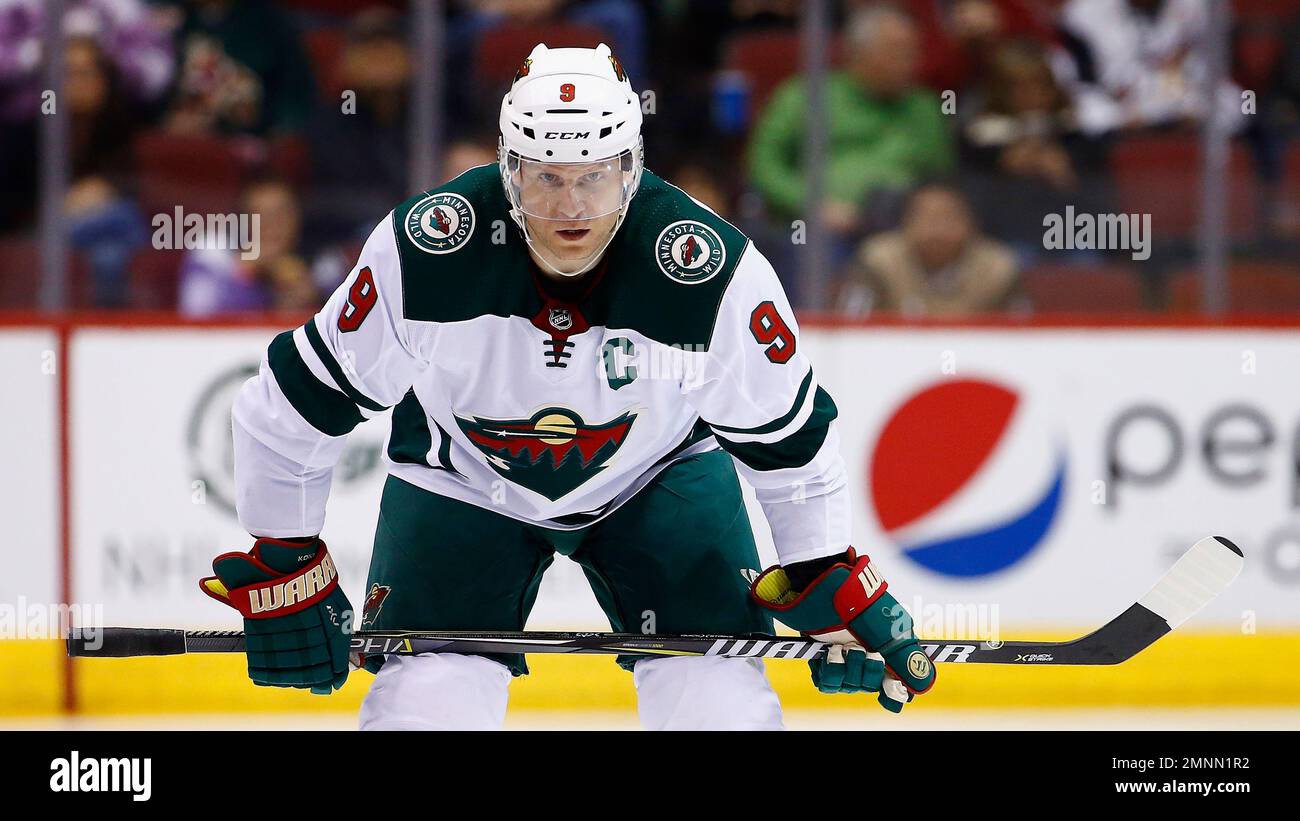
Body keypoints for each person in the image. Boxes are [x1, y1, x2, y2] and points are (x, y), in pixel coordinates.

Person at [199, 44, 934, 731]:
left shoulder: (711, 273)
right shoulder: (427, 250)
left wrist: (822, 567)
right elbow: (292, 399)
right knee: (426, 703)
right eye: (546, 175)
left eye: (594, 175)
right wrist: (287, 552)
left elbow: (790, 441)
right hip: (464, 479)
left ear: (632, 167)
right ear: (508, 168)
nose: (571, 206)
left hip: (660, 473)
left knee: (718, 703)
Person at [747, 3, 953, 265]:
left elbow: (941, 179)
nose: (910, 62)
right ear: (858, 52)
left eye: (913, 52)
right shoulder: (805, 95)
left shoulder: (925, 107)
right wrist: (811, 205)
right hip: (816, 232)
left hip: (904, 237)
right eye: (896, 51)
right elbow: (763, 165)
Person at [838, 183, 1023, 317]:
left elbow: (1023, 333)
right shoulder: (878, 260)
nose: (937, 228)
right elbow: (852, 325)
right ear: (905, 222)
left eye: (948, 217)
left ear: (972, 224)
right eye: (926, 217)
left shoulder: (998, 267)